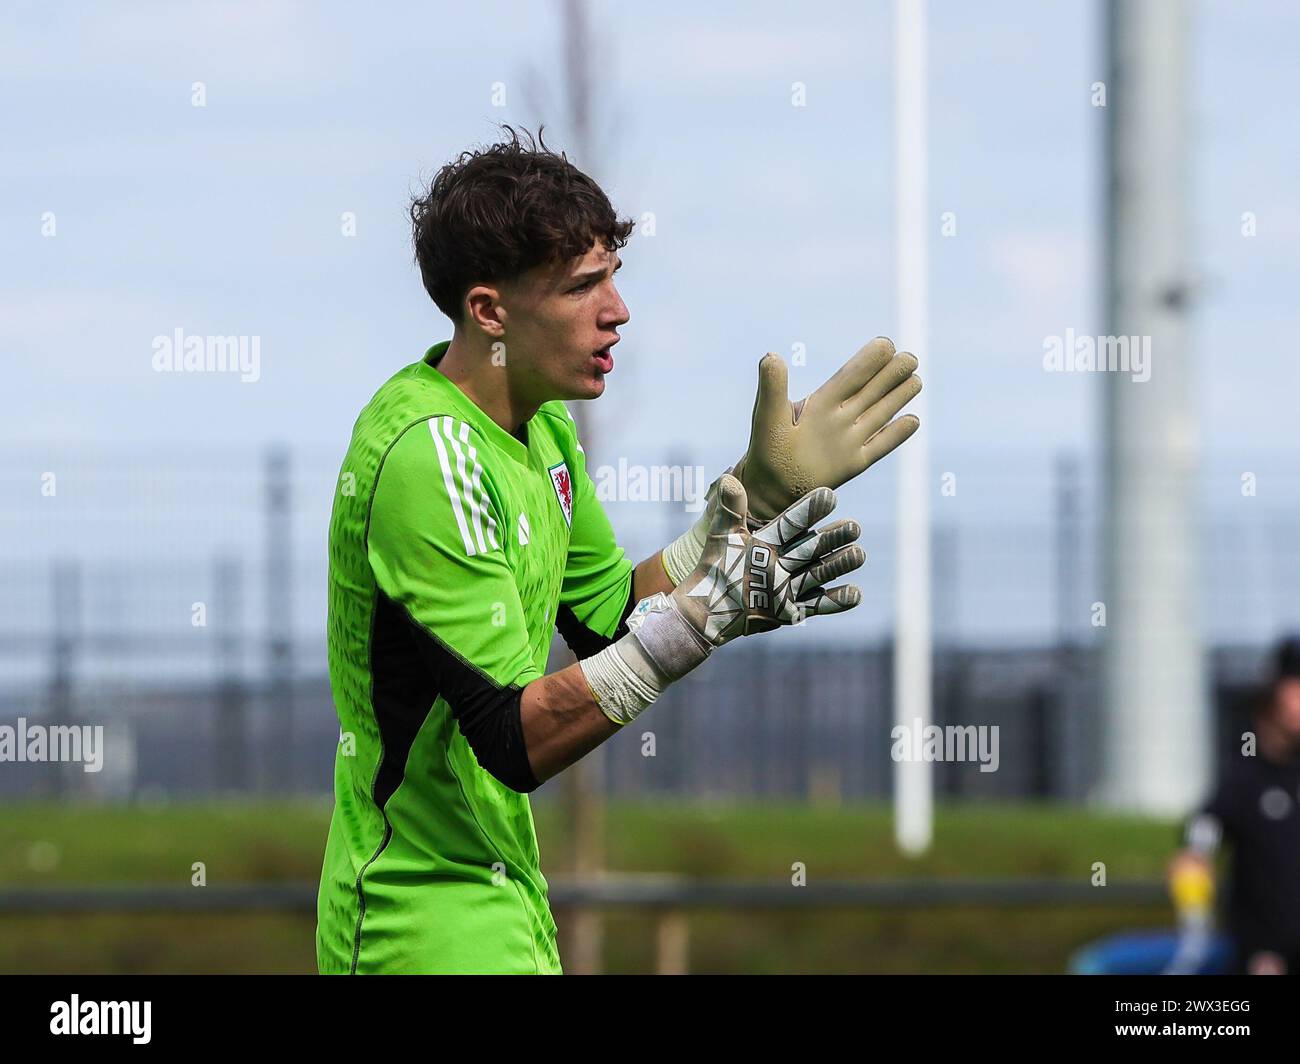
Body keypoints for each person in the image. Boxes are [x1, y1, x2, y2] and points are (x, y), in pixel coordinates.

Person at [315, 126, 922, 974]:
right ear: (489, 311)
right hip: (419, 923)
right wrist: (698, 624)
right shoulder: (428, 455)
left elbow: (609, 619)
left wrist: (754, 499)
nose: (618, 310)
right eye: (581, 286)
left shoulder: (542, 423)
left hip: (504, 906)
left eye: (614, 277)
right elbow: (511, 739)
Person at [1168, 636, 1300, 974]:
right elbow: (1202, 835)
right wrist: (1193, 862)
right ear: (1274, 695)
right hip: (1268, 959)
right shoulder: (1244, 780)